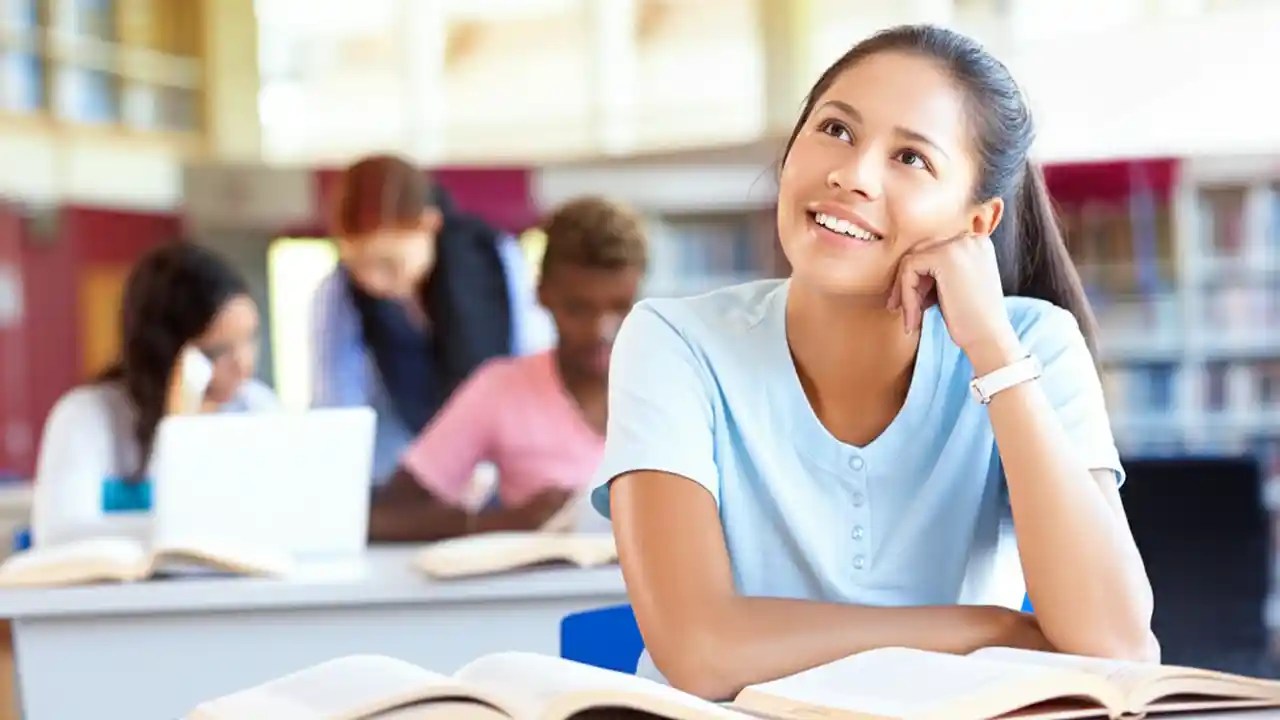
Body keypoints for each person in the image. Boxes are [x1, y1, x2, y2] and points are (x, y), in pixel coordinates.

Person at [590, 24, 1157, 699]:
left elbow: (1118, 645)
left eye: (911, 158)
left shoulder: (1034, 344)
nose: (851, 175)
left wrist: (995, 354)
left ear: (979, 223)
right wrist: (989, 631)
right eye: (835, 130)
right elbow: (701, 649)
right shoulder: (673, 341)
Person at [368, 196, 647, 542]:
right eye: (578, 308)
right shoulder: (499, 390)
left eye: (621, 308)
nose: (601, 331)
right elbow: (382, 517)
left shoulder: (681, 391)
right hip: (552, 594)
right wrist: (503, 522)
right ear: (542, 294)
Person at [310, 155, 554, 483]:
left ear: (429, 225)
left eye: (387, 263)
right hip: (397, 479)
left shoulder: (495, 258)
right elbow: (338, 409)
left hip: (499, 466)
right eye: (357, 265)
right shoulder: (340, 293)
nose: (372, 281)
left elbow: (528, 367)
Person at [31, 242, 277, 548]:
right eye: (218, 351)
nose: (245, 366)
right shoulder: (86, 416)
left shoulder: (255, 407)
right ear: (163, 351)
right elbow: (58, 533)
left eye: (250, 338)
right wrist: (178, 428)